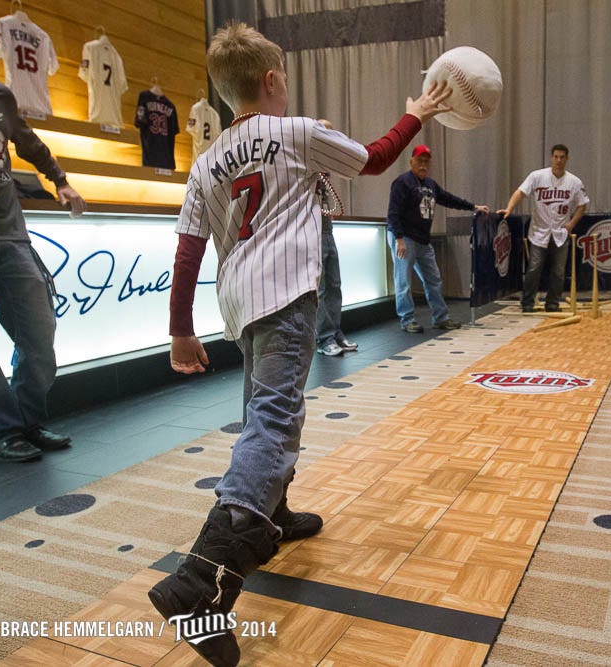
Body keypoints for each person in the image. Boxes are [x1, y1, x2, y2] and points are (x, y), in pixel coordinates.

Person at [150, 22, 453, 666]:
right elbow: (375, 158)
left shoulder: (205, 161)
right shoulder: (296, 132)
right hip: (287, 294)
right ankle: (201, 581)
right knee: (275, 418)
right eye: (283, 76)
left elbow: (188, 250)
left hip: (240, 300)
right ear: (271, 80)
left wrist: (180, 328)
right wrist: (416, 113)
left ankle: (276, 511)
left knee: (263, 409)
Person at [0, 3, 86, 463]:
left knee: (39, 331)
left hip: (10, 232)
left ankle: (28, 421)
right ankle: (0, 432)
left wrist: (60, 180)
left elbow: (29, 142)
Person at [387, 144, 488, 332]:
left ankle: (441, 318)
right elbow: (393, 213)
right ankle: (407, 320)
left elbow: (449, 199)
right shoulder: (402, 183)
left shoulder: (430, 185)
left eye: (426, 162)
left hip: (423, 240)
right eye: (420, 161)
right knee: (403, 281)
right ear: (411, 161)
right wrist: (399, 239)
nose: (423, 165)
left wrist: (473, 207)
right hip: (405, 237)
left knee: (434, 279)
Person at [498, 144, 589, 313]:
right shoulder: (537, 176)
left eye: (562, 157)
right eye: (556, 157)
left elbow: (582, 205)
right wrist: (509, 208)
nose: (559, 160)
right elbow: (520, 192)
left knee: (558, 272)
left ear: (567, 159)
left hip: (561, 233)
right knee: (534, 268)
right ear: (551, 158)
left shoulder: (574, 182)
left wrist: (571, 224)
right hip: (539, 231)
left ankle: (552, 304)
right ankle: (527, 303)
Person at [314, 119, 357, 357]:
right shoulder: (308, 160)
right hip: (313, 231)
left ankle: (335, 331)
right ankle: (324, 338)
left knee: (334, 285)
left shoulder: (326, 167)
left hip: (327, 229)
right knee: (321, 288)